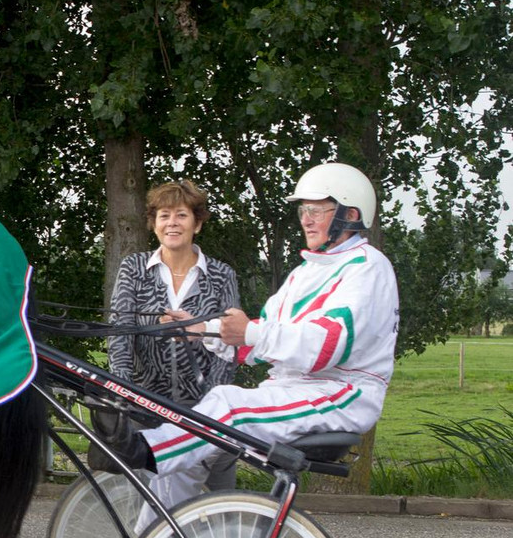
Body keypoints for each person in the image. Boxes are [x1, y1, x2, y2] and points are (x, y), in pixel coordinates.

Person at [137, 163, 399, 519]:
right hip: (294, 389)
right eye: (303, 211)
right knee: (186, 456)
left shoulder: (367, 267)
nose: (306, 220)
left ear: (350, 215)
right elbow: (259, 339)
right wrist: (202, 329)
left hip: (341, 393)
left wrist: (250, 332)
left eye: (316, 210)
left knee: (228, 405)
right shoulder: (306, 272)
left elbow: (327, 344)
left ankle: (141, 450)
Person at [98, 180, 240, 486]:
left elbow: (230, 344)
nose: (172, 223)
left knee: (217, 498)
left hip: (203, 408)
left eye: (181, 215)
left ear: (197, 224)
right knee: (149, 495)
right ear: (154, 224)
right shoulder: (134, 268)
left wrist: (211, 405)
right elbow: (120, 333)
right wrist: (126, 392)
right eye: (164, 215)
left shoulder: (222, 275)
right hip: (146, 405)